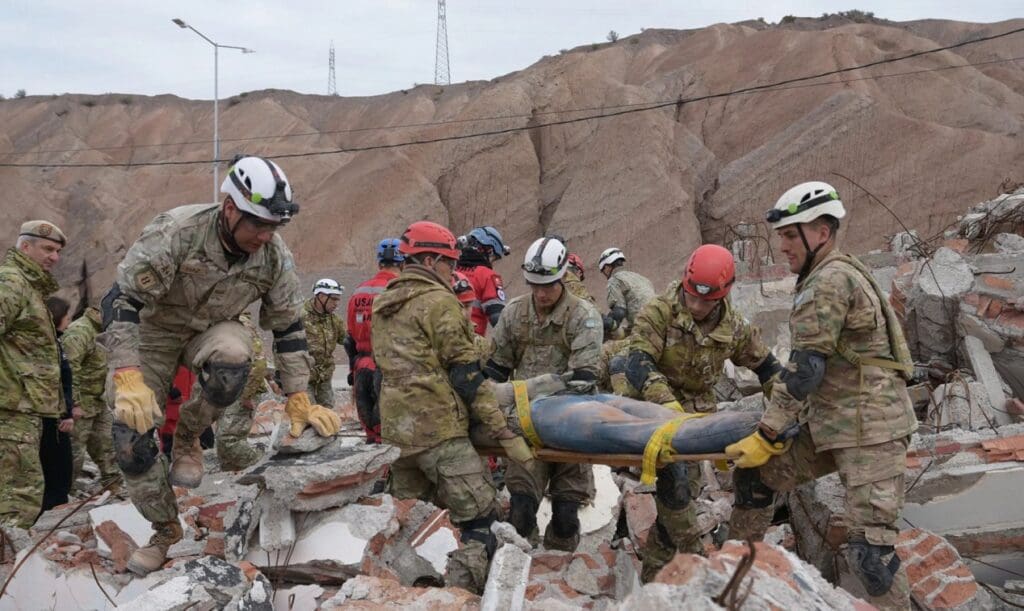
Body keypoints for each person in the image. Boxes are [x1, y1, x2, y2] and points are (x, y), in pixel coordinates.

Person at [98, 154, 340, 575]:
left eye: (273, 227)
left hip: (212, 328)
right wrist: (126, 373)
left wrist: (299, 396)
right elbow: (120, 301)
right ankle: (165, 530)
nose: (265, 236)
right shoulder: (177, 232)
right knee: (129, 436)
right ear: (230, 208)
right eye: (257, 224)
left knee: (233, 359)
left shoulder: (273, 256)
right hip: (153, 331)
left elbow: (288, 328)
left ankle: (188, 438)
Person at [725, 182, 917, 609]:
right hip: (834, 421)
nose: (783, 247)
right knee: (757, 478)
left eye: (790, 236)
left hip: (872, 431)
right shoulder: (829, 273)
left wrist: (768, 432)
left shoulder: (829, 280)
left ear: (822, 233)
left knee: (870, 554)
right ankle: (733, 583)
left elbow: (806, 370)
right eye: (781, 236)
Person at [371, 221, 534, 593]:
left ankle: (399, 593)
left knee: (409, 519)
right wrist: (503, 432)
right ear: (430, 261)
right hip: (439, 432)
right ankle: (459, 594)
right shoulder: (439, 302)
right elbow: (467, 378)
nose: (453, 270)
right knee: (482, 518)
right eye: (450, 262)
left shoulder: (385, 303)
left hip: (398, 435)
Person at [623, 244, 780, 581]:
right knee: (676, 487)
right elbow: (637, 361)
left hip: (697, 418)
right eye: (691, 297)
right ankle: (697, 558)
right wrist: (665, 403)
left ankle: (655, 578)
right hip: (653, 413)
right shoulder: (659, 312)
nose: (695, 306)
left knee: (680, 500)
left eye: (705, 302)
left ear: (723, 296)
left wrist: (784, 411)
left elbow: (768, 367)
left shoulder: (732, 326)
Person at [484, 237, 603, 551]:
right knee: (521, 511)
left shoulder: (584, 317)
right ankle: (519, 567)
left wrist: (525, 390)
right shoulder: (514, 314)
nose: (541, 293)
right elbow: (496, 368)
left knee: (566, 517)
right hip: (524, 427)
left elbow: (583, 379)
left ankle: (558, 569)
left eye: (548, 286)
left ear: (562, 276)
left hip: (571, 424)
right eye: (534, 285)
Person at [0, 221, 67, 529]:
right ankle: (9, 557)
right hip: (11, 408)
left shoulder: (29, 288)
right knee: (18, 496)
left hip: (23, 407)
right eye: (48, 249)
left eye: (57, 251)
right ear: (25, 247)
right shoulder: (12, 282)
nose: (54, 257)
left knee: (21, 491)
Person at [345, 238, 404, 443]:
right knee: (388, 427)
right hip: (388, 365)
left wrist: (352, 368)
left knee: (369, 427)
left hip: (361, 364)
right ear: (403, 263)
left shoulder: (359, 291)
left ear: (379, 263)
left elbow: (349, 336)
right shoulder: (401, 290)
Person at [62, 304, 121, 494]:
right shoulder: (79, 332)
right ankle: (66, 492)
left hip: (99, 400)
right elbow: (69, 370)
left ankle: (113, 485)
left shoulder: (105, 331)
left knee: (107, 444)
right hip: (82, 402)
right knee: (75, 451)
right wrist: (74, 403)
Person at [213, 310, 268, 470]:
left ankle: (258, 463)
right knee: (223, 437)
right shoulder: (222, 324)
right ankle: (231, 471)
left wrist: (247, 395)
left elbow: (258, 363)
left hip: (241, 390)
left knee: (229, 438)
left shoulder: (240, 326)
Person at [40, 296, 76, 511]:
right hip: (51, 415)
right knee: (58, 468)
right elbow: (57, 381)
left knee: (60, 469)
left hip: (53, 412)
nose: (69, 321)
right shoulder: (47, 344)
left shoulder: (56, 341)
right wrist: (66, 414)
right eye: (67, 316)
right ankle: (51, 511)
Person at [456, 226, 510, 336]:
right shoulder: (488, 276)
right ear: (488, 251)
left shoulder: (451, 270)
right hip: (471, 339)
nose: (492, 262)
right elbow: (496, 316)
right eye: (493, 258)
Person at [302, 278, 346, 407]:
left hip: (324, 379)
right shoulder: (299, 317)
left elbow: (348, 340)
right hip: (303, 378)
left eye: (338, 299)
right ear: (321, 296)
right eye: (333, 299)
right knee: (308, 414)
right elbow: (282, 346)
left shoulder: (334, 320)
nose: (336, 304)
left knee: (328, 414)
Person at [597, 247, 655, 337]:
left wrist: (605, 324)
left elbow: (619, 312)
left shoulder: (615, 280)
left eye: (603, 270)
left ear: (607, 267)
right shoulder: (642, 278)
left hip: (644, 328)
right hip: (659, 322)